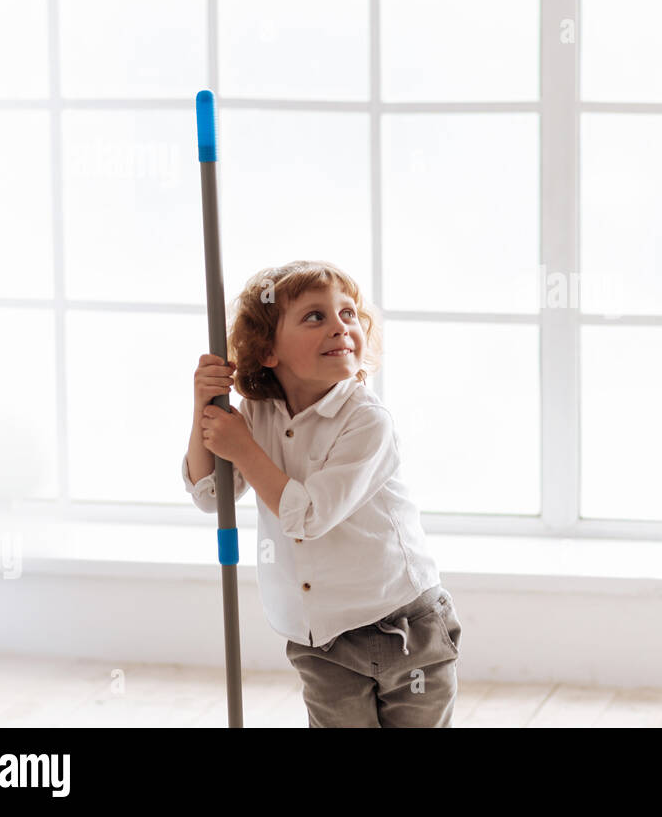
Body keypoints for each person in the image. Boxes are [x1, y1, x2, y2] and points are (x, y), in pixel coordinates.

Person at [183, 259, 460, 727]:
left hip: (406, 629)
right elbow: (213, 495)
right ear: (267, 350)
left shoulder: (366, 421)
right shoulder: (257, 416)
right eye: (316, 316)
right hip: (321, 640)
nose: (340, 327)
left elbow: (309, 517)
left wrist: (244, 448)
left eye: (348, 314)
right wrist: (204, 411)